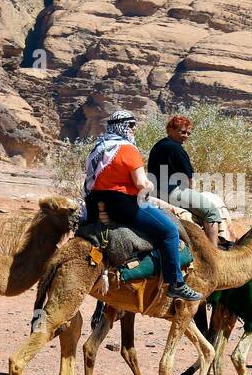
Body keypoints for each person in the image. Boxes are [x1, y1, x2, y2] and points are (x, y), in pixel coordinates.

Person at [84, 110, 201, 302]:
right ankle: (176, 284)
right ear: (123, 127)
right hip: (124, 204)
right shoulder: (127, 149)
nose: (133, 130)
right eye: (131, 126)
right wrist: (150, 186)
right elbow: (141, 183)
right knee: (170, 231)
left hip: (97, 202)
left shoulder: (100, 147)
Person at [146, 115, 232, 247]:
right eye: (182, 132)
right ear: (170, 130)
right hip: (172, 190)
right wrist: (191, 190)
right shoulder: (176, 148)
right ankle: (213, 252)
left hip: (155, 189)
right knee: (212, 212)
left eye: (188, 133)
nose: (186, 135)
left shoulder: (159, 145)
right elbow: (190, 179)